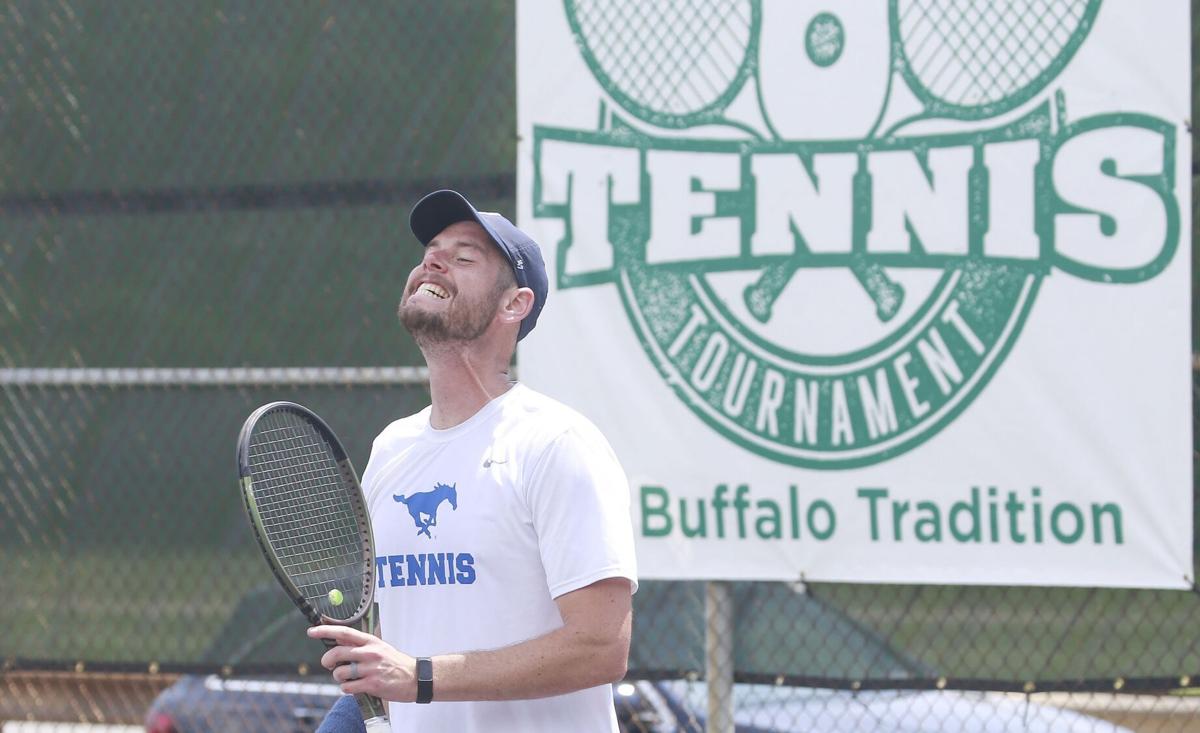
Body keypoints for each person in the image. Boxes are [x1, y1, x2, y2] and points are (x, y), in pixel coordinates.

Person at [309, 189, 639, 733]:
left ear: (514, 304)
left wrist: (421, 676)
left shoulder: (556, 443)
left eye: (463, 257)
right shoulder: (392, 448)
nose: (433, 262)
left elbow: (601, 647)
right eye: (430, 253)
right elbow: (398, 654)